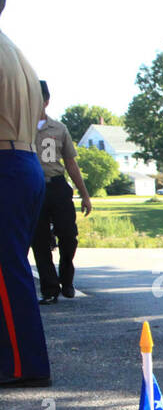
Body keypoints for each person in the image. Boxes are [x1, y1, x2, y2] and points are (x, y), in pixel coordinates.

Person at [0, 0, 50, 387]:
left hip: (5, 161)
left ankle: (21, 364)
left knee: (6, 268)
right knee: (10, 265)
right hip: (23, 159)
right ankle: (18, 359)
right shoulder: (16, 51)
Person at [32, 80, 92, 304]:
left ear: (46, 101)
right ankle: (49, 289)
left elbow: (71, 163)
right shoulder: (19, 128)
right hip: (32, 187)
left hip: (57, 186)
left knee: (68, 235)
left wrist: (84, 195)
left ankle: (66, 279)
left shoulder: (59, 129)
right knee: (39, 240)